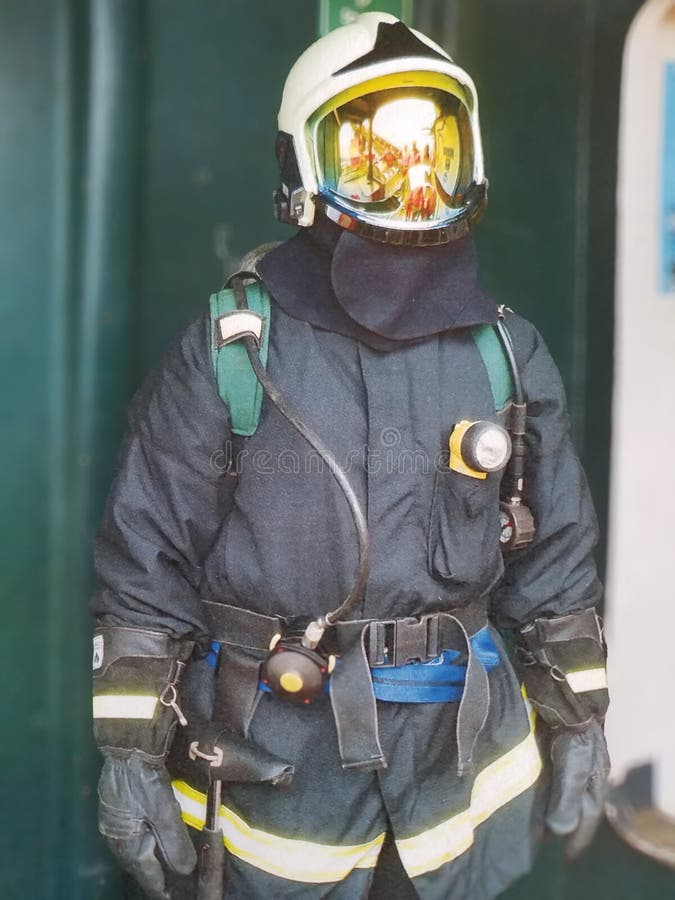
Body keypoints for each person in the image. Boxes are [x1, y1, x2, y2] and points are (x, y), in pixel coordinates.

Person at [91, 12, 610, 900]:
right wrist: (128, 749)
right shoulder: (234, 351)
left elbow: (553, 559)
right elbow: (146, 563)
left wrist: (579, 717)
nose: (410, 181)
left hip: (459, 786)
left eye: (429, 150)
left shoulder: (503, 351)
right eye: (374, 154)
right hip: (280, 783)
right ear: (306, 166)